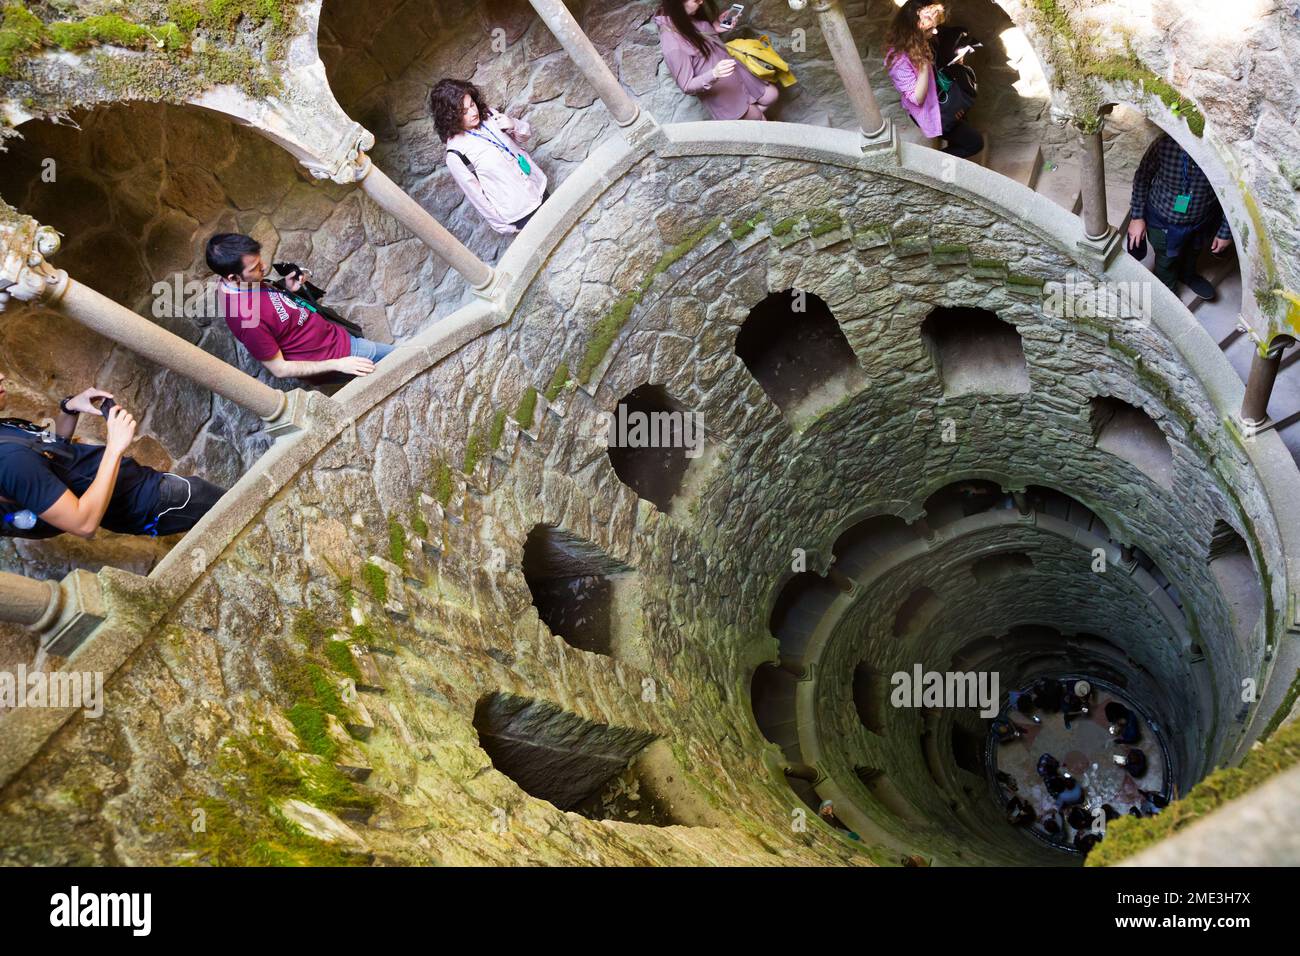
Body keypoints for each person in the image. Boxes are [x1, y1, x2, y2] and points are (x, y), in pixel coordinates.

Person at [0, 371, 225, 540]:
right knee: (239, 511)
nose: (2, 376)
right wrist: (115, 446)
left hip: (146, 486)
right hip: (150, 501)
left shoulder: (4, 431)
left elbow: (46, 448)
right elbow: (83, 524)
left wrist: (69, 408)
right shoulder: (9, 461)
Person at [206, 234, 394, 382]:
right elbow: (279, 369)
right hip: (340, 354)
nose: (264, 266)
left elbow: (271, 310)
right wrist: (339, 364)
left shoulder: (239, 284)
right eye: (255, 267)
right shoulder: (246, 319)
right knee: (407, 357)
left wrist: (287, 288)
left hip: (336, 338)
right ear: (233, 277)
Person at [431, 79, 549, 236]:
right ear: (450, 117)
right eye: (464, 112)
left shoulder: (489, 115)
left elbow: (525, 135)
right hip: (520, 213)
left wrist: (513, 124)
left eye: (472, 104)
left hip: (539, 188)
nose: (473, 113)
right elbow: (478, 199)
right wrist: (506, 227)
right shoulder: (456, 155)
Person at [1128, 132, 1233, 299]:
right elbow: (1142, 176)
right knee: (1166, 259)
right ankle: (1167, 288)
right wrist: (1137, 217)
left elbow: (1231, 193)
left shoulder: (1219, 155)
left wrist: (1225, 232)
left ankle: (1188, 275)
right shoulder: (1164, 144)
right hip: (1162, 219)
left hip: (1201, 220)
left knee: (1193, 251)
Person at [885, 1, 983, 158]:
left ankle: (952, 171)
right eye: (930, 28)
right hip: (933, 112)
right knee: (974, 143)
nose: (935, 31)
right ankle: (929, 164)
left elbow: (939, 63)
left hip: (942, 100)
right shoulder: (898, 61)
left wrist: (956, 60)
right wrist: (923, 64)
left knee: (962, 131)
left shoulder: (919, 41)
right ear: (914, 28)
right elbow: (917, 98)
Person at [655, 0, 779, 121]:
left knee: (772, 95)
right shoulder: (672, 44)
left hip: (737, 73)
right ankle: (742, 123)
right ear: (677, 3)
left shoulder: (685, 17)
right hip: (721, 90)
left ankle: (741, 123)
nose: (702, 2)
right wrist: (714, 74)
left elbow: (699, 41)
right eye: (696, 0)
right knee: (759, 118)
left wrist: (716, 27)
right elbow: (686, 86)